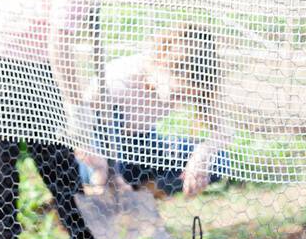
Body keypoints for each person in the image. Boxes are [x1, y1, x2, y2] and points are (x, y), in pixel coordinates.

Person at [0, 0, 105, 239]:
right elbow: (60, 48)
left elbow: (88, 38)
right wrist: (76, 111)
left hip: (40, 60)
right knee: (0, 162)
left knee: (57, 159)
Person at [73, 22, 234, 198]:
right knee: (111, 124)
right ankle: (109, 186)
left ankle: (144, 189)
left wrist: (201, 156)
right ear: (163, 64)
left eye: (186, 97)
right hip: (103, 153)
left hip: (142, 147)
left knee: (219, 162)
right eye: (177, 95)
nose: (179, 103)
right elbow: (81, 119)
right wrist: (102, 165)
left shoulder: (196, 80)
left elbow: (225, 131)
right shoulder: (121, 77)